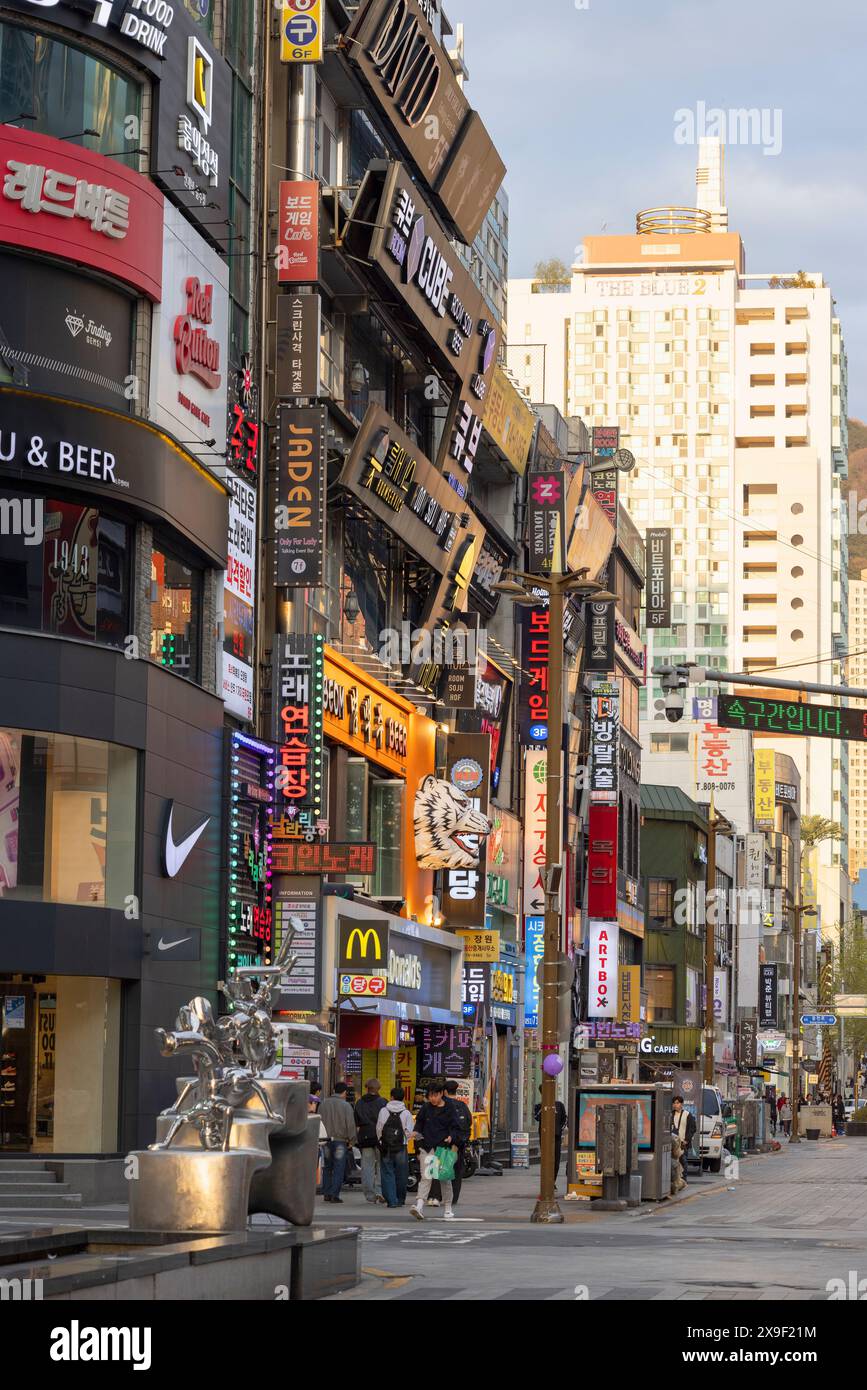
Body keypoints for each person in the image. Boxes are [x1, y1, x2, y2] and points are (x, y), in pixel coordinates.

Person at [411, 1082, 458, 1221]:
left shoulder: (450, 1108)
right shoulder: (425, 1108)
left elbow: (456, 1127)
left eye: (435, 1095)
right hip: (427, 1146)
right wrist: (418, 1147)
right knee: (426, 1176)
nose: (432, 1098)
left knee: (444, 1178)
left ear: (442, 1094)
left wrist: (452, 1137)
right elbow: (418, 1126)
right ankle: (419, 1206)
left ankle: (448, 1208)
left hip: (443, 1147)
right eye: (430, 1095)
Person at [376, 1086, 415, 1208]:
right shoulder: (406, 1113)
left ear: (391, 1097)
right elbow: (409, 1133)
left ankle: (391, 1200)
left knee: (387, 1172)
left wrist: (381, 1140)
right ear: (403, 1098)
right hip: (401, 1147)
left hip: (386, 1147)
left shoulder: (383, 1111)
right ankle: (400, 1199)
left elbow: (379, 1128)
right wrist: (404, 1139)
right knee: (401, 1174)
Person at [319, 1082, 357, 1203]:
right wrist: (352, 1140)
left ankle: (326, 1193)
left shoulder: (323, 1104)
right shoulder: (346, 1106)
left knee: (327, 1167)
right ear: (345, 1092)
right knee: (339, 1168)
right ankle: (334, 1194)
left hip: (325, 1141)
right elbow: (350, 1124)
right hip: (340, 1141)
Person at [533, 1085, 568, 1186]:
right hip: (544, 1137)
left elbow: (565, 1119)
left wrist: (560, 1130)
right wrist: (544, 1105)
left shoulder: (559, 1105)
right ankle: (547, 1183)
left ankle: (552, 1182)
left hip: (556, 1136)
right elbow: (537, 1117)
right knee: (546, 1160)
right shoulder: (539, 1106)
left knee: (556, 1161)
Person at [671, 1095, 696, 1184]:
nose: (675, 1105)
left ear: (681, 1104)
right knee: (673, 1163)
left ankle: (684, 1180)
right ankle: (675, 1181)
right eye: (674, 1103)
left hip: (683, 1143)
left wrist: (687, 1140)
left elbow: (693, 1128)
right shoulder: (670, 1114)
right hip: (673, 1144)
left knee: (683, 1161)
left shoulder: (687, 1114)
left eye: (677, 1103)